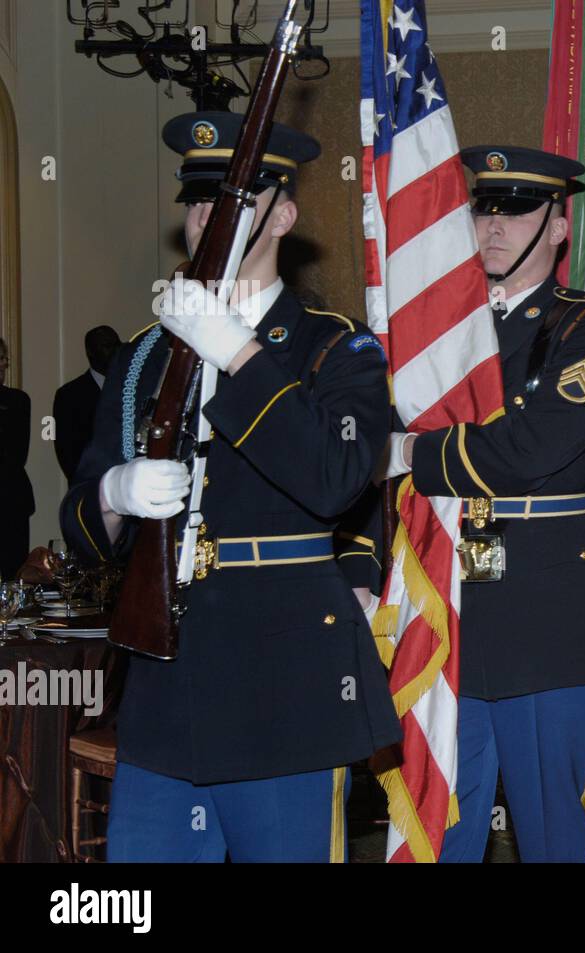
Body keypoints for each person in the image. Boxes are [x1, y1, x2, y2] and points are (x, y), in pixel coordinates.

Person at [59, 111, 401, 861]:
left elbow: (337, 478)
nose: (206, 215)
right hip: (166, 693)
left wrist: (236, 353)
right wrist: (115, 491)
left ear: (282, 214)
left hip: (283, 689)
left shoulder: (338, 346)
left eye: (233, 198)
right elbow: (79, 530)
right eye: (196, 199)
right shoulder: (145, 356)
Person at [387, 145, 585, 863]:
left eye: (519, 210)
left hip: (549, 604)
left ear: (559, 227)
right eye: (485, 208)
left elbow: (534, 448)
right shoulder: (443, 333)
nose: (494, 226)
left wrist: (411, 453)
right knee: (448, 818)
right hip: (454, 602)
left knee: (551, 827)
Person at [53, 326, 121, 480]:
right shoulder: (69, 395)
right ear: (90, 352)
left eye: (117, 345)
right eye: (107, 346)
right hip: (89, 485)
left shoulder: (131, 387)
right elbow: (67, 452)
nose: (114, 351)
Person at [0, 337, 35, 580]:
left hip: (10, 500)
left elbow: (16, 454)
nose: (2, 365)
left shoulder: (17, 401)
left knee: (13, 574)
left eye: (3, 359)